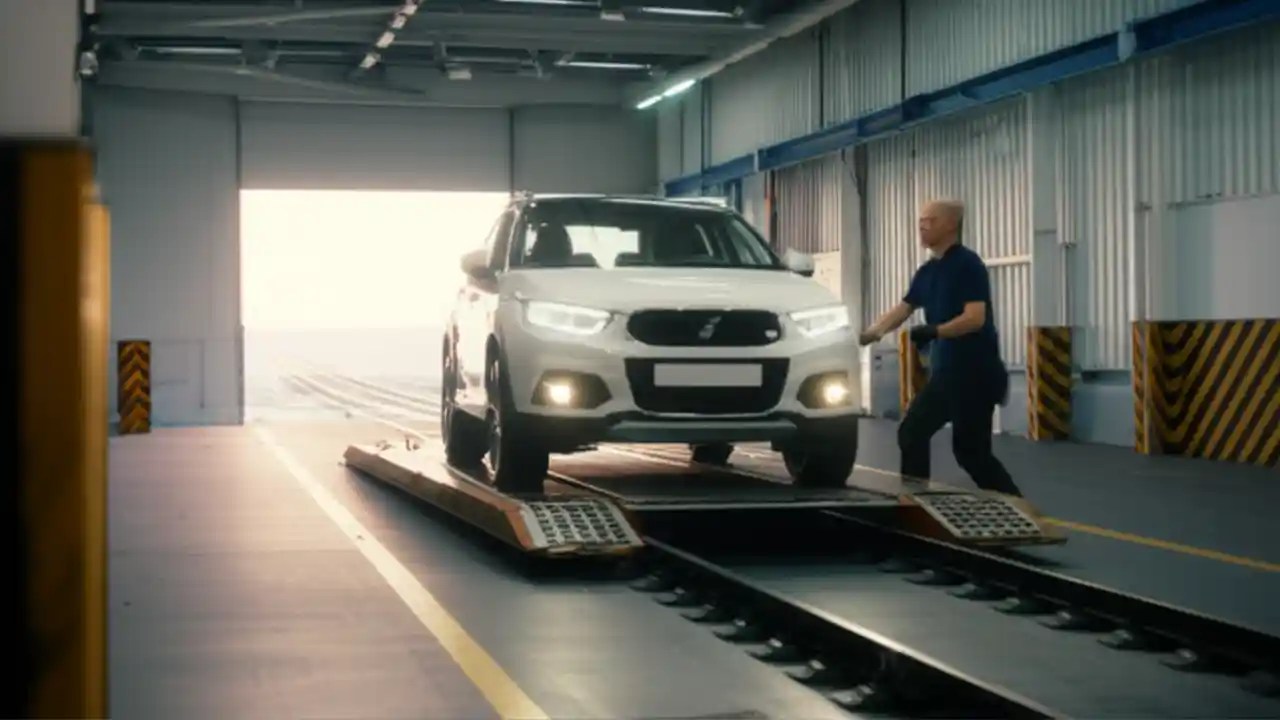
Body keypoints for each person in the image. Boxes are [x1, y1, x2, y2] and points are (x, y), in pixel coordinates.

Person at [858, 199, 1022, 497]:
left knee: (913, 432)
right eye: (920, 220)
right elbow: (903, 309)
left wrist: (935, 330)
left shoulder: (968, 265)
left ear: (950, 224)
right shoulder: (928, 271)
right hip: (952, 372)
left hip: (972, 372)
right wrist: (868, 335)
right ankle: (1017, 505)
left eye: (929, 220)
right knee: (972, 454)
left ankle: (914, 505)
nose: (921, 226)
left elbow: (975, 318)